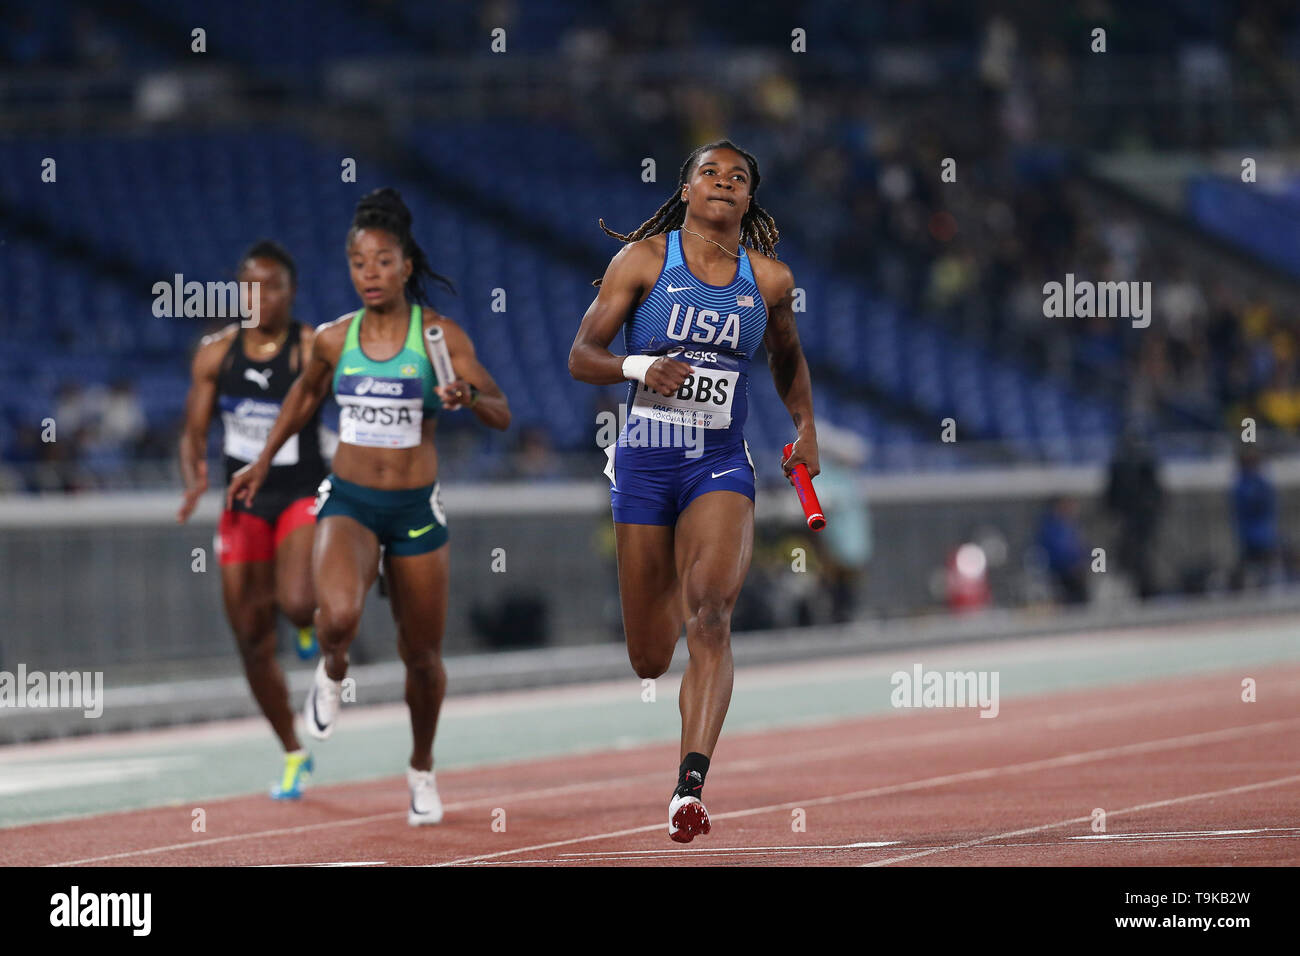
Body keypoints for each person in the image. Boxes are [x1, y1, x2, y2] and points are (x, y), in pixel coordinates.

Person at [226, 189, 510, 824]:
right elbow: (302, 399)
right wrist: (264, 461)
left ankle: (422, 769)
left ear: (406, 265)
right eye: (359, 263)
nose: (370, 275)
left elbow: (502, 412)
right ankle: (331, 671)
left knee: (423, 657)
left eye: (383, 262)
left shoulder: (437, 336)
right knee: (337, 617)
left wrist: (466, 395)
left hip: (413, 510)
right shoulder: (334, 339)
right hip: (351, 501)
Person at [568, 141, 819, 842]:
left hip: (719, 463)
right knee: (649, 654)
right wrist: (640, 363)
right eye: (709, 172)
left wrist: (805, 425)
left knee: (711, 615)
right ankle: (685, 574)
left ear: (749, 200)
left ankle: (689, 787)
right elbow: (581, 356)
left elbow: (789, 356)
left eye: (738, 177)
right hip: (646, 461)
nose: (723, 182)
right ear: (685, 190)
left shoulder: (768, 280)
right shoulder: (644, 261)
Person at [178, 240, 326, 799]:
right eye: (250, 286)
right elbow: (194, 429)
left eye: (273, 286)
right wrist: (194, 477)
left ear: (292, 292)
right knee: (249, 636)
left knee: (293, 600)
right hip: (243, 500)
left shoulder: (311, 347)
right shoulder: (215, 352)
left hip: (299, 492)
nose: (260, 298)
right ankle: (292, 749)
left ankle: (307, 621)